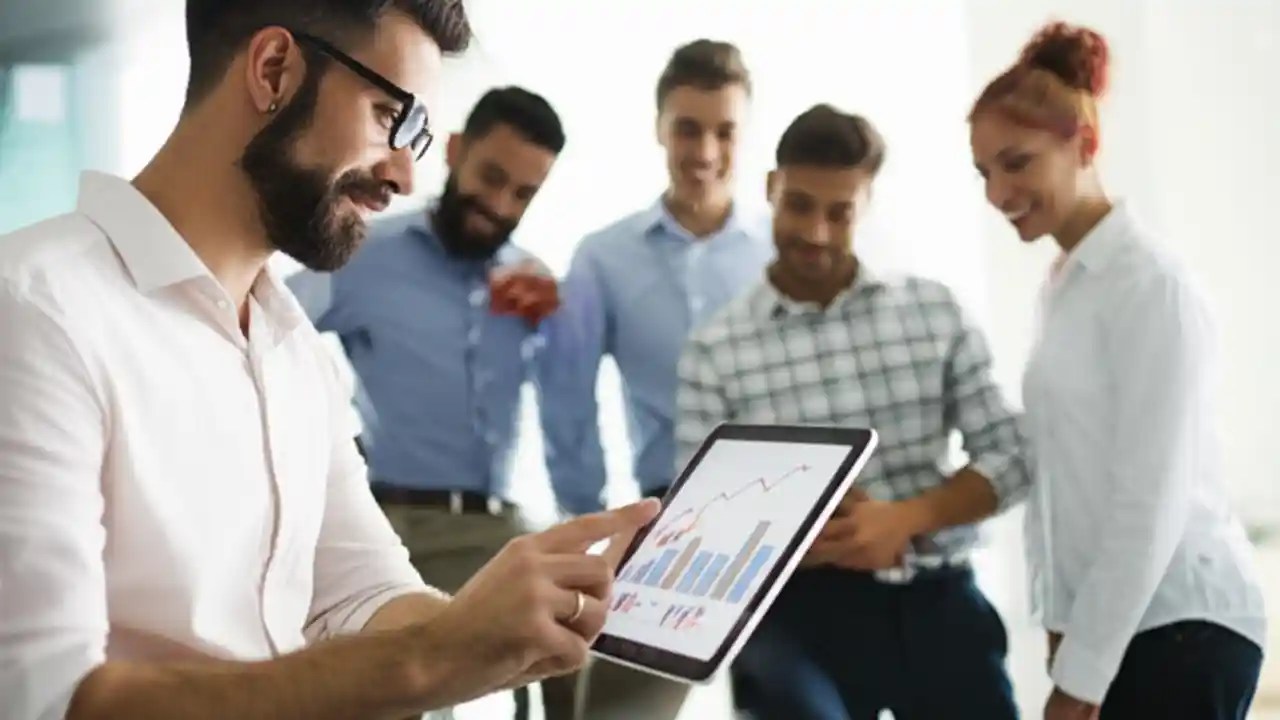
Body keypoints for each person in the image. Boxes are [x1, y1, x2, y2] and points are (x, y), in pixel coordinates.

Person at [0, 3, 660, 720]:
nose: (406, 175)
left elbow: (362, 594)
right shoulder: (35, 310)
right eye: (389, 116)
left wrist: (508, 636)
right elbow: (46, 700)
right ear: (273, 69)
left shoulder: (294, 351)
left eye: (419, 135)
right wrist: (438, 655)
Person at [676, 104, 1030, 719]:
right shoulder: (714, 351)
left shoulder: (934, 312)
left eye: (839, 213)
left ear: (866, 208)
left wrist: (904, 520)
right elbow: (700, 523)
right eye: (799, 206)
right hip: (795, 622)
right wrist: (813, 541)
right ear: (770, 190)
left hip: (937, 602)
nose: (815, 232)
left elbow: (1013, 455)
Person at [969, 21, 1268, 720]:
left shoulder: (1149, 285)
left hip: (1184, 627)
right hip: (1125, 633)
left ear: (1086, 143)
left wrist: (1081, 678)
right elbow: (1068, 479)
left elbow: (1149, 499)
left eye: (1016, 162)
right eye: (983, 171)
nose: (997, 191)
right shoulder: (1066, 287)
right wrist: (1064, 624)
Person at [286, 84, 581, 720]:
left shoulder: (534, 284)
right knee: (402, 683)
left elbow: (568, 412)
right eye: (491, 177)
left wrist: (558, 326)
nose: (499, 204)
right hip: (394, 523)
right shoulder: (363, 253)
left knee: (577, 636)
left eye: (523, 194)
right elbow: (268, 328)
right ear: (453, 151)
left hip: (494, 529)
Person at [539, 38, 771, 717]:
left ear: (744, 133)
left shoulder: (779, 255)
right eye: (687, 129)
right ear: (659, 129)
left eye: (724, 131)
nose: (704, 152)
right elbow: (566, 400)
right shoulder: (602, 258)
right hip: (662, 526)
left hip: (782, 526)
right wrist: (589, 527)